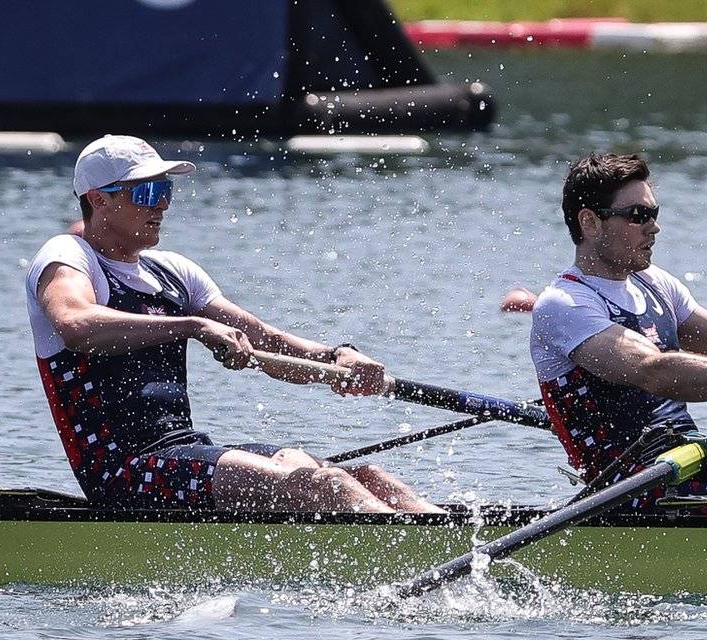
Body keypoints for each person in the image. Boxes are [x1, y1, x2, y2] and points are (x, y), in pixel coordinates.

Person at [25, 134, 442, 513]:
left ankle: (457, 543)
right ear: (99, 200)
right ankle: (416, 561)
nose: (162, 204)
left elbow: (267, 343)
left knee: (369, 478)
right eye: (147, 191)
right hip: (125, 472)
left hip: (185, 451)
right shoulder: (69, 256)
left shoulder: (172, 273)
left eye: (166, 190)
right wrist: (192, 326)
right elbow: (75, 323)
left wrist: (336, 359)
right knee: (322, 485)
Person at [530, 152, 707, 502]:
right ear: (590, 222)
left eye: (654, 213)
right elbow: (654, 371)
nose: (654, 226)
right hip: (627, 486)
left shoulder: (655, 284)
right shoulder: (565, 304)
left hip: (690, 463)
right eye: (639, 216)